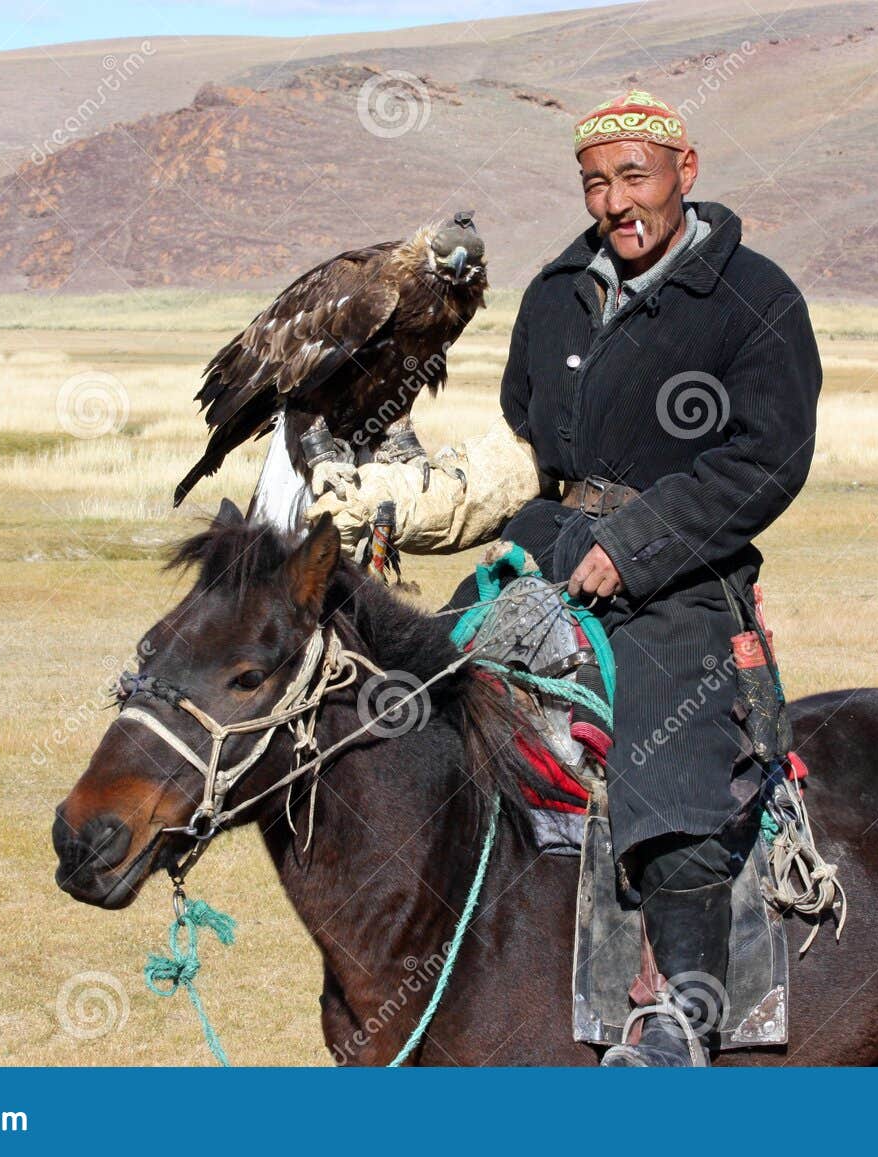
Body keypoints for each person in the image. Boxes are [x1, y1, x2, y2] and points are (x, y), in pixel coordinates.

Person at [307, 89, 821, 1065]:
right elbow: (525, 445)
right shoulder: (555, 294)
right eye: (596, 181)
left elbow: (767, 456)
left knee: (669, 773)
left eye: (634, 176)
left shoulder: (756, 300)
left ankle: (677, 1015)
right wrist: (409, 505)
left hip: (681, 576)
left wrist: (634, 544)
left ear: (685, 172)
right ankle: (411, 977)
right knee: (402, 706)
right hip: (543, 548)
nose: (615, 199)